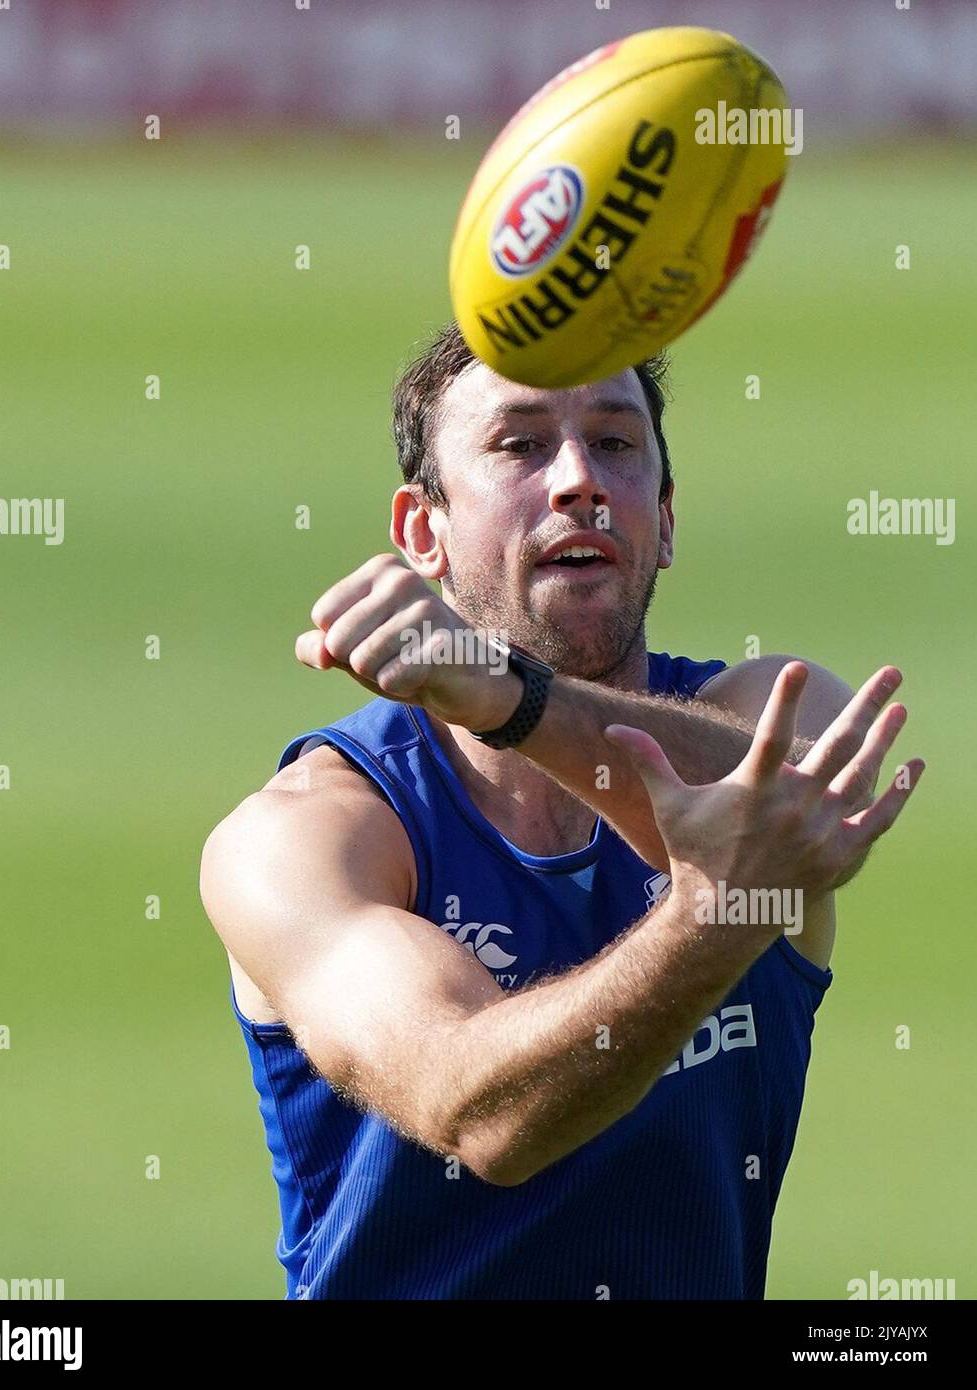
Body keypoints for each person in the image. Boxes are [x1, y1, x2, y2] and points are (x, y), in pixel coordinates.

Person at [200, 322, 922, 1300]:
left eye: (615, 443)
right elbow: (473, 1113)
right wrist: (705, 922)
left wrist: (510, 699)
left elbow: (813, 790)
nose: (577, 477)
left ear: (663, 517)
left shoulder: (762, 712)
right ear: (422, 533)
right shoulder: (305, 835)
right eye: (519, 444)